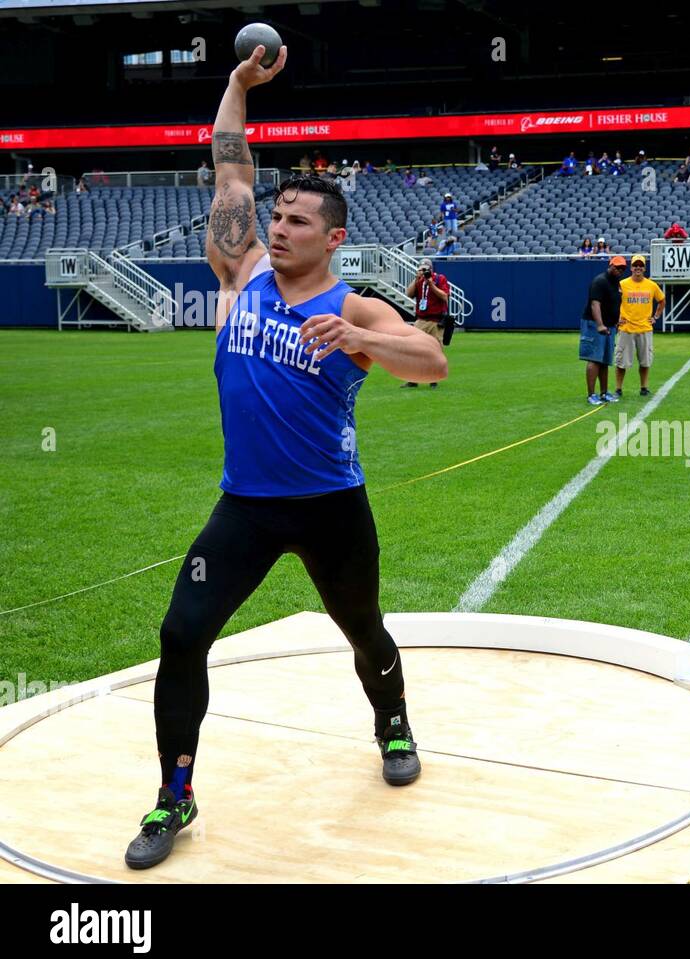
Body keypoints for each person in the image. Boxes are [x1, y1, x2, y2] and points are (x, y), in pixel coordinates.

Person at [123, 41, 446, 871]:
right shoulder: (241, 270)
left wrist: (360, 337)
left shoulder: (357, 305)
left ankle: (394, 722)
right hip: (249, 506)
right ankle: (175, 792)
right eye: (279, 214)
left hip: (333, 504)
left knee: (362, 627)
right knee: (181, 630)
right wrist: (236, 84)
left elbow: (432, 364)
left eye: (300, 219)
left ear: (334, 238)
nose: (280, 224)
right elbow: (231, 169)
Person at [615, 254, 664, 398]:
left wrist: (656, 317)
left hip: (644, 329)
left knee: (645, 361)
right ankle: (618, 389)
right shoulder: (622, 284)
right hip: (626, 329)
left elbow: (662, 300)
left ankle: (644, 387)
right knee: (621, 362)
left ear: (644, 268)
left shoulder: (651, 285)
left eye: (640, 265)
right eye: (635, 265)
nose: (638, 267)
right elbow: (613, 301)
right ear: (631, 268)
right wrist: (617, 318)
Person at [581, 255, 625, 404]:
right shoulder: (600, 281)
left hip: (609, 325)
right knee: (594, 358)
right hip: (595, 324)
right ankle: (591, 395)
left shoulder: (616, 283)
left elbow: (615, 304)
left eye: (622, 268)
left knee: (605, 360)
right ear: (610, 265)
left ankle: (604, 393)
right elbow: (595, 304)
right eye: (616, 267)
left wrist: (617, 321)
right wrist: (600, 324)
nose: (618, 270)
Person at [402, 259, 450, 388]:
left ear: (431, 269)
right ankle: (413, 379)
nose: (423, 271)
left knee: (435, 351)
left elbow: (444, 296)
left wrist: (431, 284)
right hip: (421, 319)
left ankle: (433, 379)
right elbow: (409, 294)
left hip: (435, 320)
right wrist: (416, 278)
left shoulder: (440, 279)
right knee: (413, 349)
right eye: (420, 269)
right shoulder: (419, 281)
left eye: (425, 269)